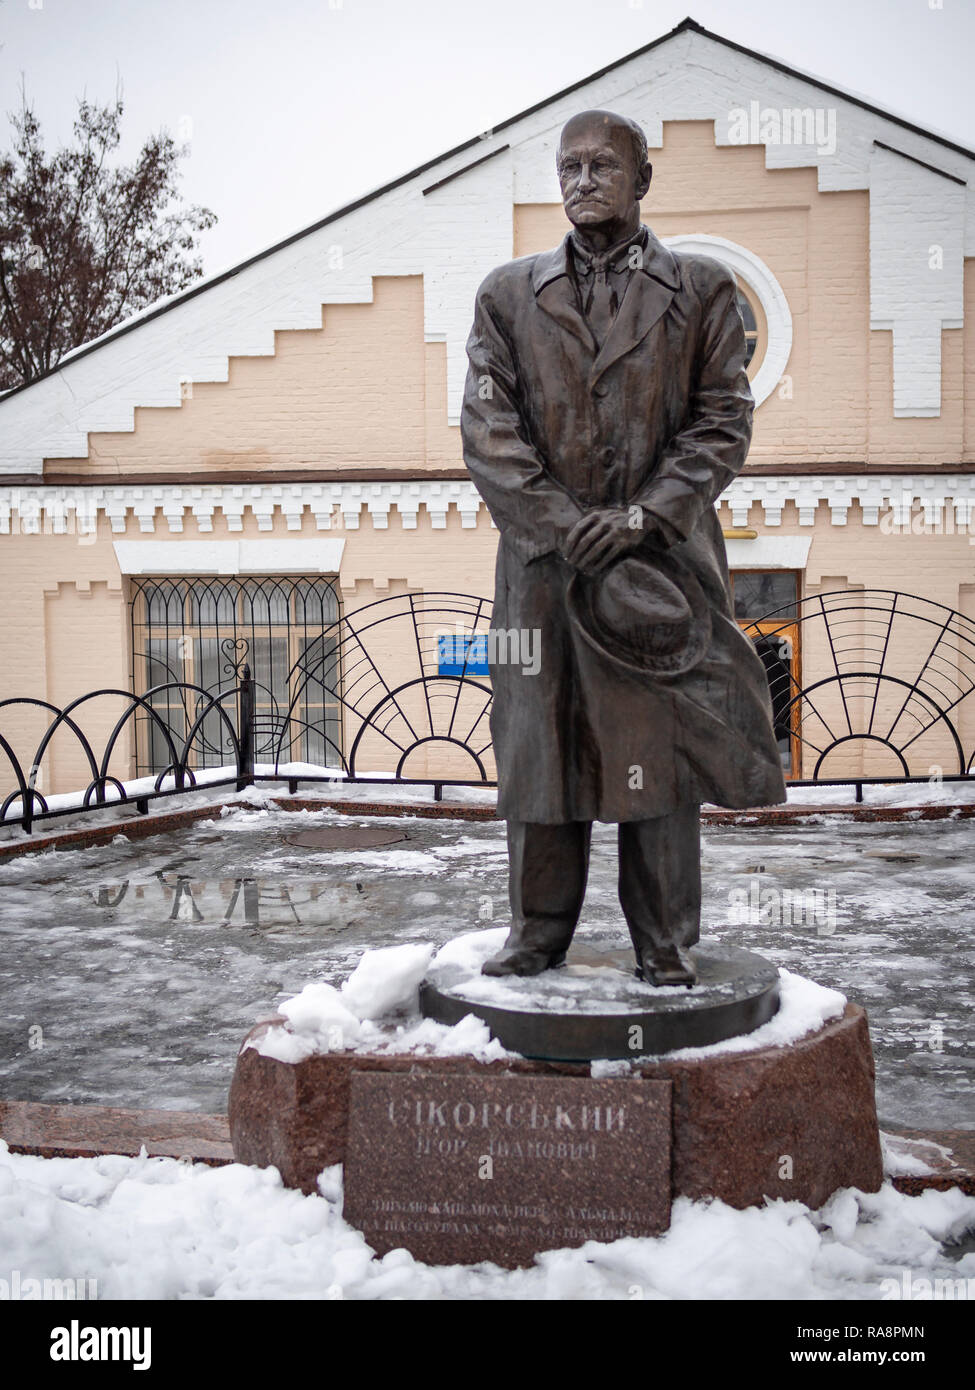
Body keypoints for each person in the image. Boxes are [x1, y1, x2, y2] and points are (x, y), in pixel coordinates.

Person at [460, 109, 786, 986]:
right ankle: (536, 934)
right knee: (540, 750)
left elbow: (722, 421)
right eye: (568, 165)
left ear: (643, 179)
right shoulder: (505, 294)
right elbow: (488, 429)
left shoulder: (702, 290)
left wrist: (644, 518)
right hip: (541, 570)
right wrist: (567, 526)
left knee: (658, 753)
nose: (582, 179)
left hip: (658, 565)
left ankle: (665, 945)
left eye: (603, 164)